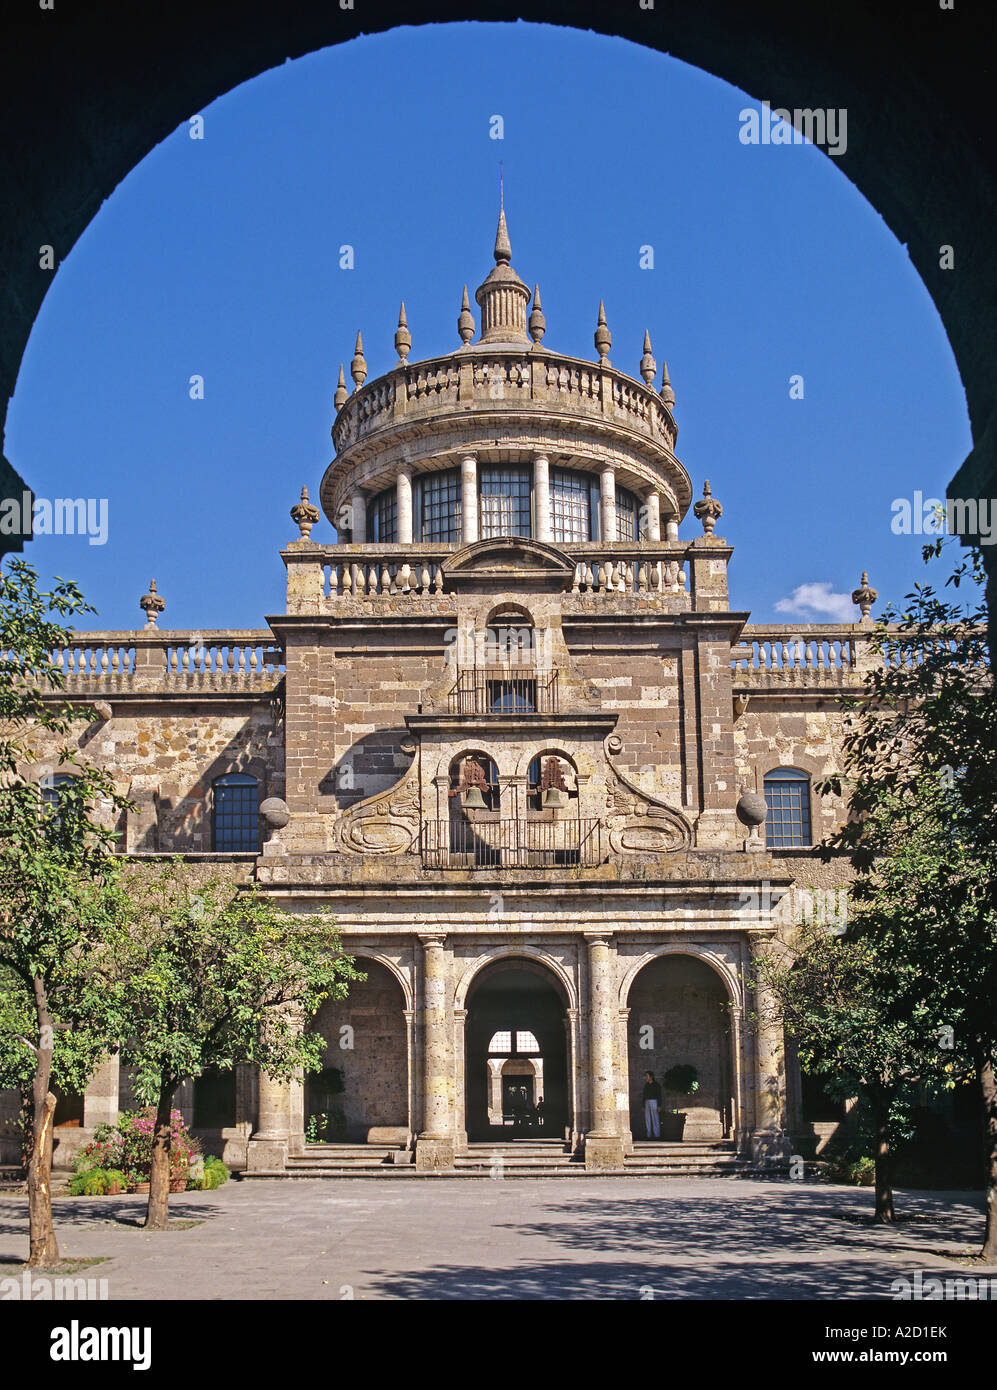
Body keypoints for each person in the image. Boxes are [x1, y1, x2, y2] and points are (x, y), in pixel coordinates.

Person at [642, 1071, 662, 1139]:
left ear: (651, 1077)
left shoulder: (656, 1085)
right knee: (647, 1118)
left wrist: (659, 1105)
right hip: (647, 1102)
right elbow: (644, 1096)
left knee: (655, 1117)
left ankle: (657, 1134)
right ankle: (649, 1134)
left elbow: (659, 1095)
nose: (646, 1078)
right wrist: (643, 1106)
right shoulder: (646, 1085)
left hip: (654, 1101)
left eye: (647, 1076)